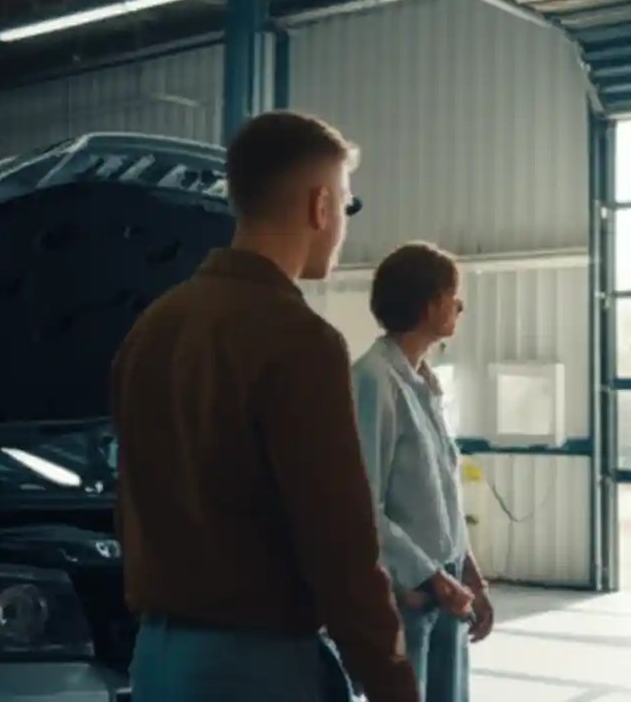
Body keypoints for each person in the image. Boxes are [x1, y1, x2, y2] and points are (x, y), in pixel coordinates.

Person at [111, 111, 418, 702]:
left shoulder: (152, 327)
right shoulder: (300, 339)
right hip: (256, 667)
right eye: (346, 204)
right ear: (320, 206)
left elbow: (130, 504)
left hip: (153, 660)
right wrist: (392, 680)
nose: (343, 223)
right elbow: (340, 544)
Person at [351, 242, 494, 702]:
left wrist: (470, 573)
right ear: (429, 304)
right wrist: (429, 577)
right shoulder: (374, 379)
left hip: (446, 587)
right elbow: (363, 505)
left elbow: (441, 498)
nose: (460, 306)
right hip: (409, 591)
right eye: (453, 295)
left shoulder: (424, 381)